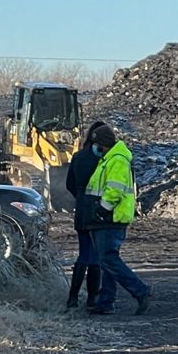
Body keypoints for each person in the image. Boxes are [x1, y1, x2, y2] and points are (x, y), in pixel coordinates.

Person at [85, 124, 150, 315]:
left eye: (97, 144)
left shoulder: (117, 159)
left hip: (112, 217)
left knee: (108, 259)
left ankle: (140, 291)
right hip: (110, 217)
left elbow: (115, 189)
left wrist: (103, 209)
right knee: (108, 260)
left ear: (103, 144)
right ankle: (106, 301)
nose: (95, 148)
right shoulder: (110, 158)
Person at [64, 122, 106, 309]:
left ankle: (73, 297)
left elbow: (69, 184)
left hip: (81, 210)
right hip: (97, 210)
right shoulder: (104, 160)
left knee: (83, 253)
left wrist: (80, 198)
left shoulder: (77, 157)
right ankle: (92, 298)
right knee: (96, 256)